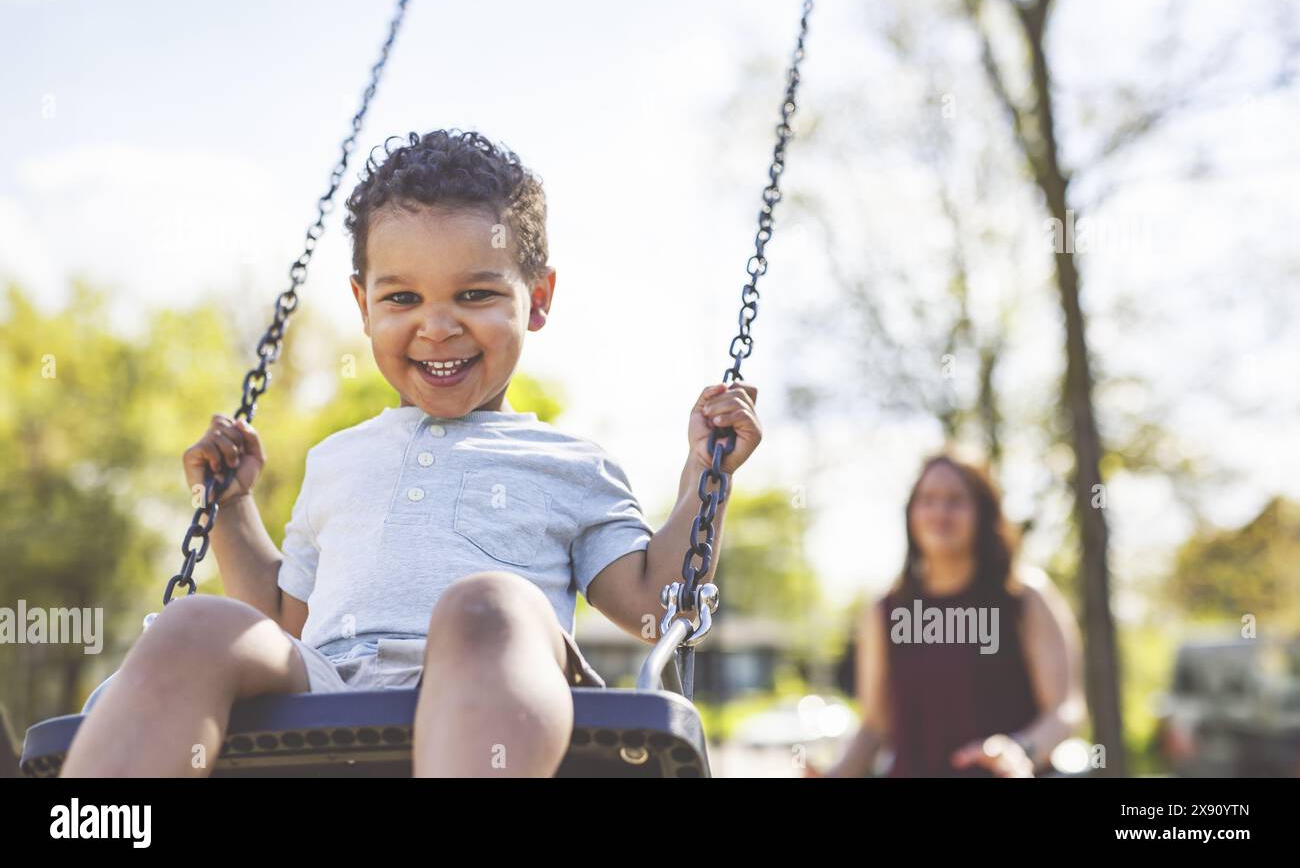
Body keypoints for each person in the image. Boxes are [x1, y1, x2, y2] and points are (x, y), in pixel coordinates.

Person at [62, 129, 761, 778]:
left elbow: (651, 611)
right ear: (364, 305)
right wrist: (231, 505)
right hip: (329, 692)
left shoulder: (570, 465)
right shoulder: (335, 461)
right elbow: (283, 623)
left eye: (476, 293)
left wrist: (706, 476)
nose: (437, 325)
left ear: (538, 299)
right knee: (195, 623)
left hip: (493, 695)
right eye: (403, 297)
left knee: (487, 605)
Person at [811, 454, 1085, 777]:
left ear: (983, 514)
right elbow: (874, 727)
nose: (940, 512)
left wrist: (1020, 750)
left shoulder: (1024, 597)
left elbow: (1065, 711)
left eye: (955, 501)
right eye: (927, 500)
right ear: (911, 513)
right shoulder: (885, 610)